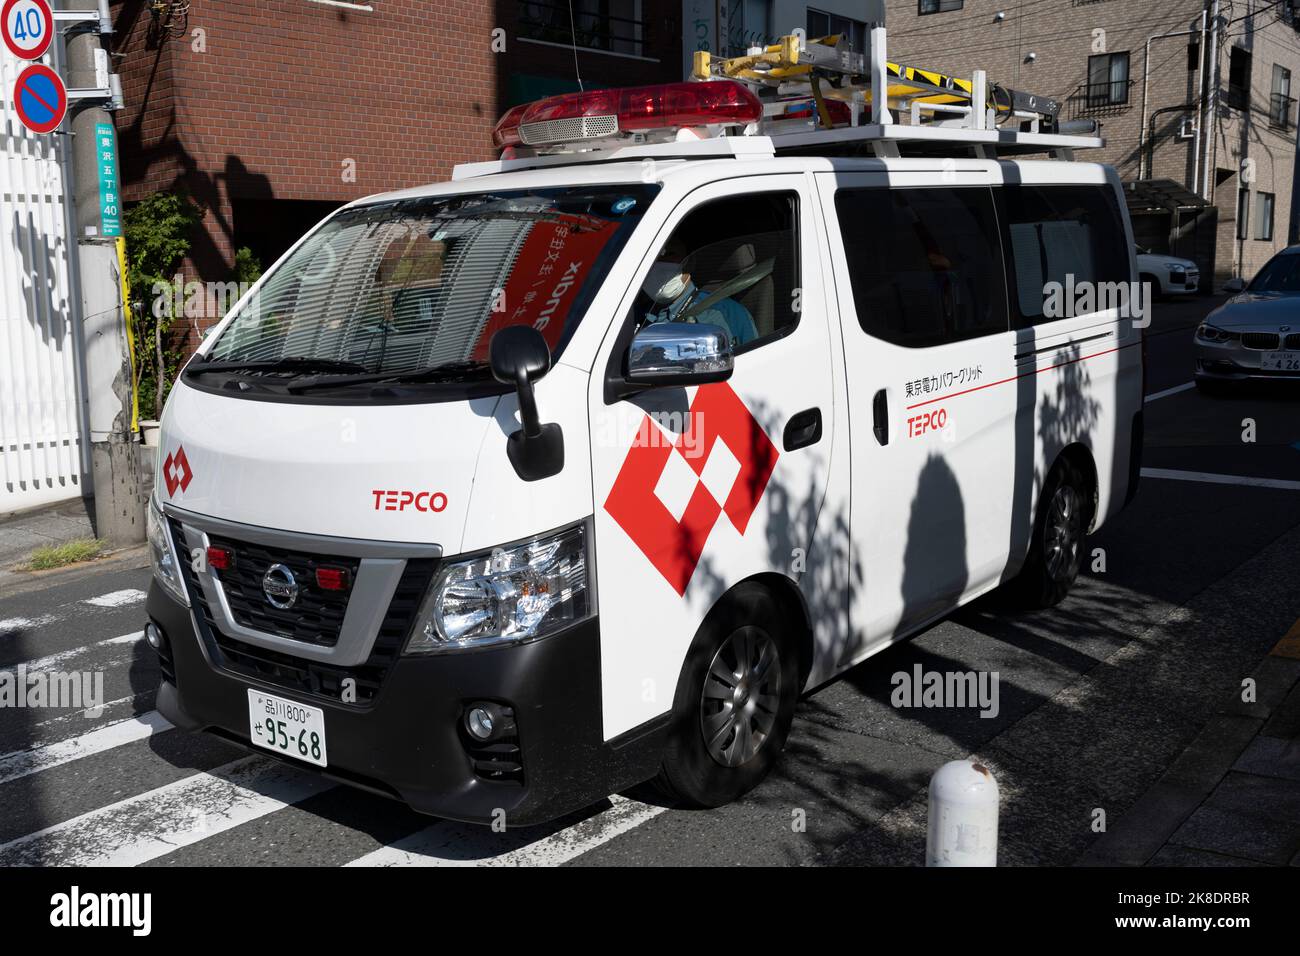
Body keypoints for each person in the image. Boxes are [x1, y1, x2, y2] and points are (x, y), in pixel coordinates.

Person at [640, 236, 759, 348]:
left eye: (670, 254)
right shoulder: (632, 313)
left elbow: (752, 363)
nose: (660, 263)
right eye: (653, 256)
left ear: (689, 262)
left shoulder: (726, 313)